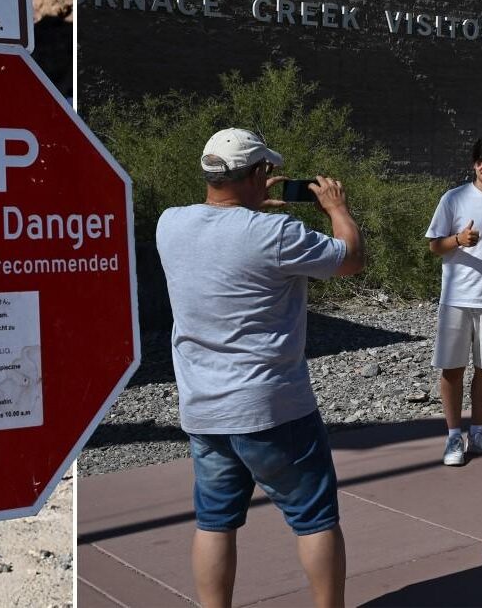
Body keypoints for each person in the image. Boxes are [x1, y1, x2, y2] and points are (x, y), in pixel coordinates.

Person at [156, 127, 365, 608]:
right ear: (257, 174)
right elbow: (350, 259)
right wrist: (336, 208)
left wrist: (248, 211)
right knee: (314, 519)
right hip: (272, 406)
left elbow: (223, 235)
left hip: (203, 409)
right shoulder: (276, 233)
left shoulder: (170, 224)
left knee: (214, 522)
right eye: (265, 171)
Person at [425, 136, 482, 465]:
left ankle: (478, 431)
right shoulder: (454, 199)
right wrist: (458, 239)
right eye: (481, 161)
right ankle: (453, 437)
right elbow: (434, 245)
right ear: (473, 165)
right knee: (452, 368)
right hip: (457, 296)